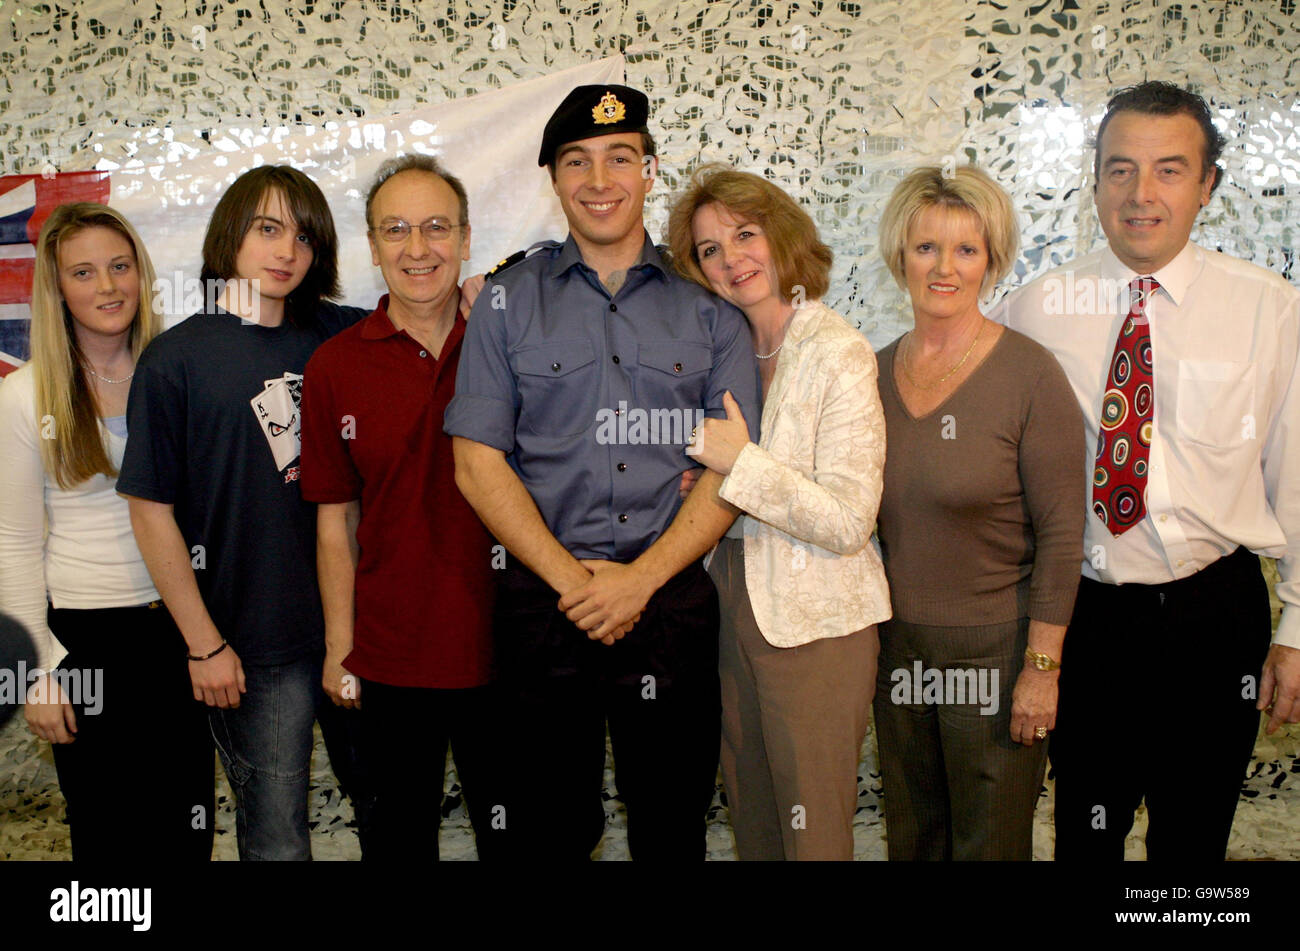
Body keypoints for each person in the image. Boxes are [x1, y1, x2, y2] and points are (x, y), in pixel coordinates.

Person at [445, 84, 761, 860]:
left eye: (621, 158)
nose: (599, 179)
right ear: (553, 179)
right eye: (577, 161)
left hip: (670, 602)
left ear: (650, 169)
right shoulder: (505, 302)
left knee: (671, 823)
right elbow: (476, 462)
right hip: (543, 604)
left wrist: (639, 581)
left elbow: (732, 470)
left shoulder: (712, 310)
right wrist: (575, 583)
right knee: (548, 831)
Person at [996, 80, 1300, 861]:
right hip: (1088, 619)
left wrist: (1297, 628)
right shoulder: (1035, 309)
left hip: (1217, 616)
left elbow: (1297, 473)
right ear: (1094, 179)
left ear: (1208, 186)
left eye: (1169, 170)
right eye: (1120, 168)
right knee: (1084, 836)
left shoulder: (1270, 309)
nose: (1141, 194)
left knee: (1192, 842)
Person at [118, 166, 370, 860]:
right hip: (254, 645)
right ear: (229, 231)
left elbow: (430, 321)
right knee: (278, 838)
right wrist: (202, 642)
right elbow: (149, 511)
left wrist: (474, 294)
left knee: (388, 811)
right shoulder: (175, 360)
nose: (287, 250)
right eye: (267, 228)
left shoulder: (343, 336)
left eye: (304, 236)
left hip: (360, 629)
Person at [663, 165, 890, 860]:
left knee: (812, 836)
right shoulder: (717, 351)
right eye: (709, 249)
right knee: (756, 824)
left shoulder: (837, 351)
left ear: (780, 237)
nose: (731, 258)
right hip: (729, 609)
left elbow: (851, 518)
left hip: (817, 626)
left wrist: (741, 464)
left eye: (744, 234)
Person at [873, 166, 1085, 860]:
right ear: (899, 255)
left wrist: (1042, 668)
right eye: (926, 246)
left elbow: (1061, 533)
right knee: (913, 838)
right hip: (896, 651)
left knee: (989, 845)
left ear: (991, 260)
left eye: (966, 249)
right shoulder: (867, 373)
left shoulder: (1030, 373)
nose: (944, 267)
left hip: (997, 655)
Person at [299, 155, 500, 860]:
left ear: (467, 238)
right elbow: (335, 518)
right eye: (397, 230)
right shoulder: (335, 366)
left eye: (437, 227)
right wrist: (338, 648)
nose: (418, 249)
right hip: (387, 661)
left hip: (511, 652)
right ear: (374, 246)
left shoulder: (512, 344)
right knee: (397, 847)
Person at [0, 202, 213, 859]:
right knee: (108, 834)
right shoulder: (23, 398)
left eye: (120, 267)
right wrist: (36, 671)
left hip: (180, 629)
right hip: (85, 640)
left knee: (188, 828)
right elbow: (9, 541)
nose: (108, 286)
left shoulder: (177, 375)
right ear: (57, 288)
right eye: (84, 272)